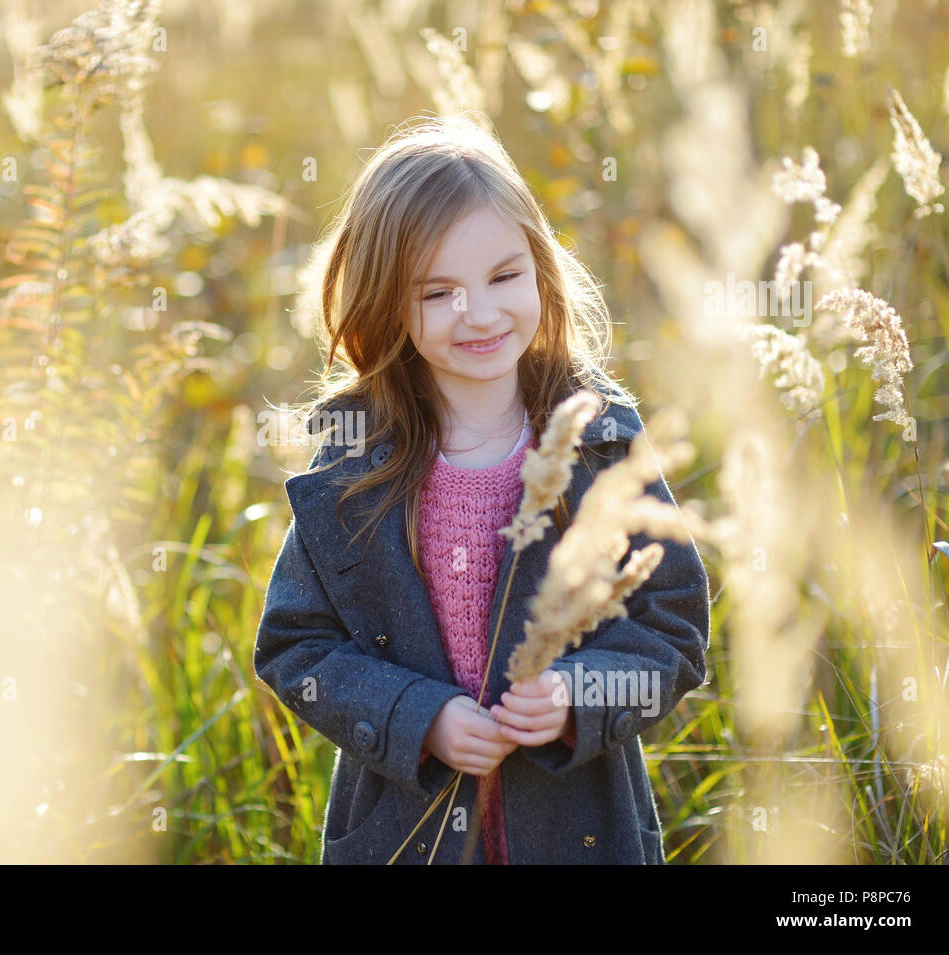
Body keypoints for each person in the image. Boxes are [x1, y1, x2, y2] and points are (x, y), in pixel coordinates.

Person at [252, 113, 711, 864]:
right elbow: (296, 647)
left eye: (504, 276)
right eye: (438, 293)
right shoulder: (352, 462)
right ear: (386, 302)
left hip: (576, 826)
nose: (482, 313)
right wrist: (417, 716)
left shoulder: (600, 441)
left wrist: (574, 695)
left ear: (539, 267)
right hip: (407, 829)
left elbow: (672, 629)